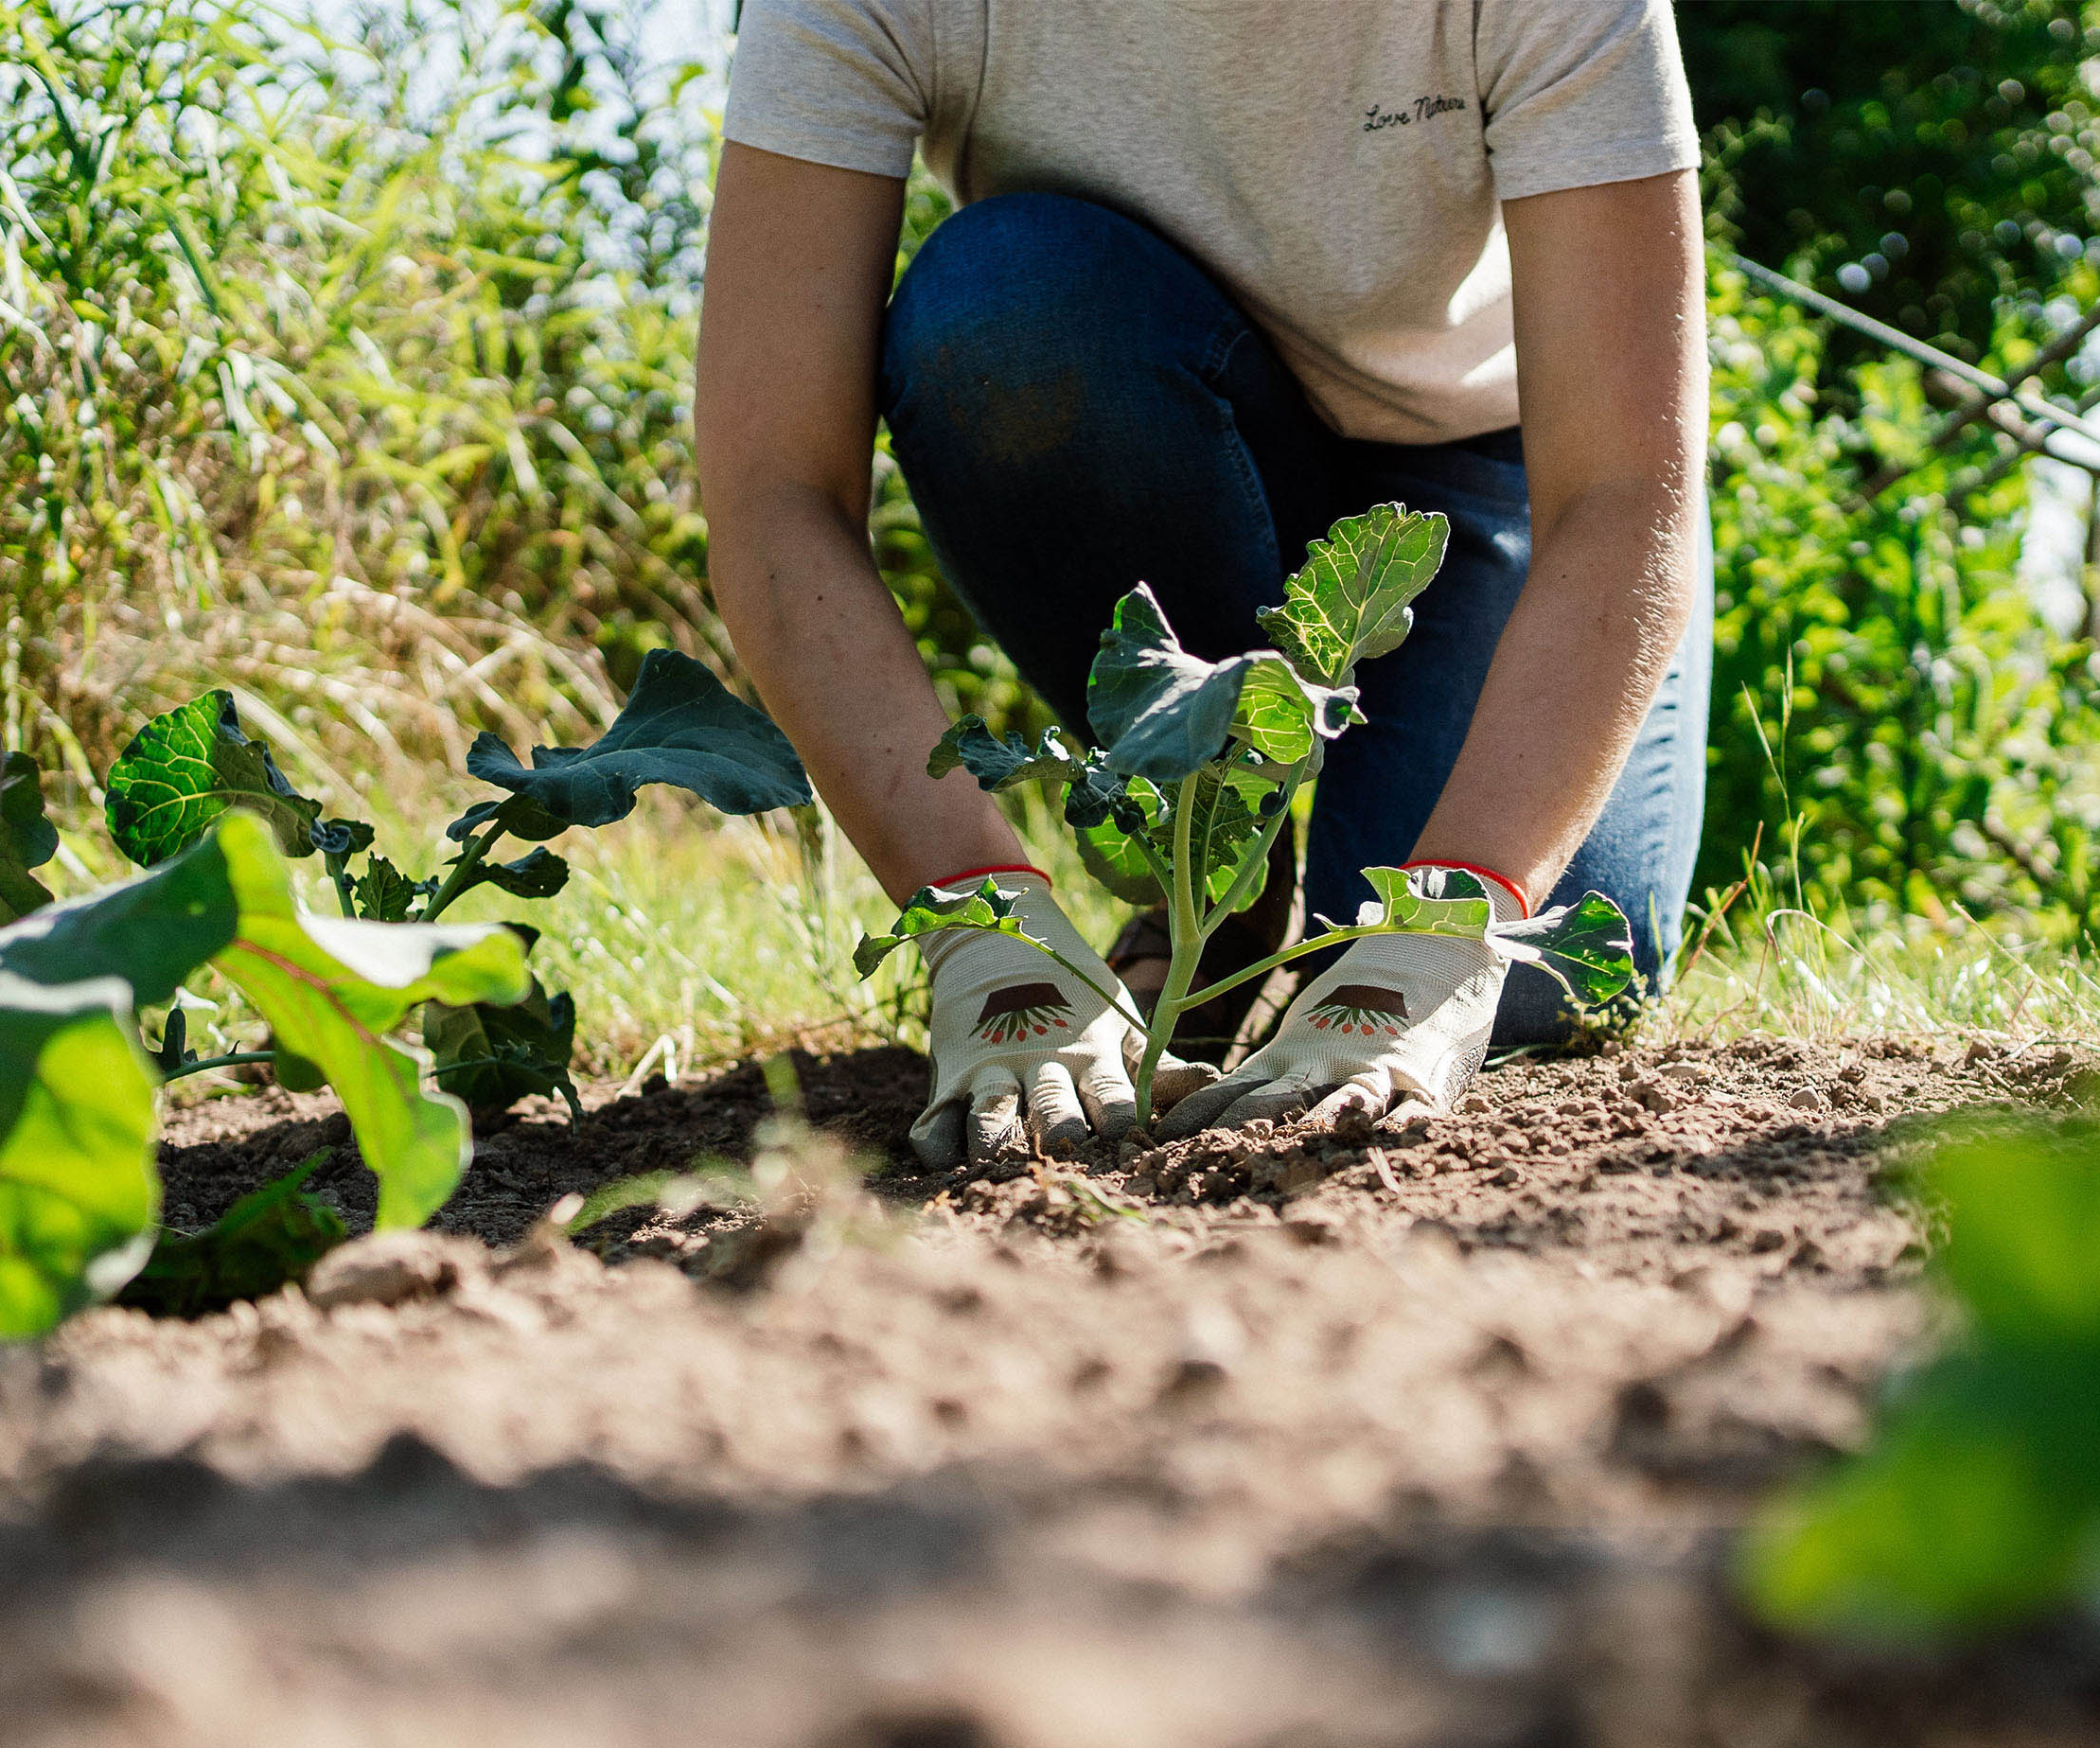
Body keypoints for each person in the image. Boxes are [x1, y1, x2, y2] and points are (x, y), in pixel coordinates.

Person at [695, 1, 1711, 1167]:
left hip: (1499, 476)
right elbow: (776, 493)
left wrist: (1448, 922)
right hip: (1135, 399)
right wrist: (980, 922)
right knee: (1003, 312)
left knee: (1543, 992)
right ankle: (1218, 875)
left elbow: (1626, 492)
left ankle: (1264, 897)